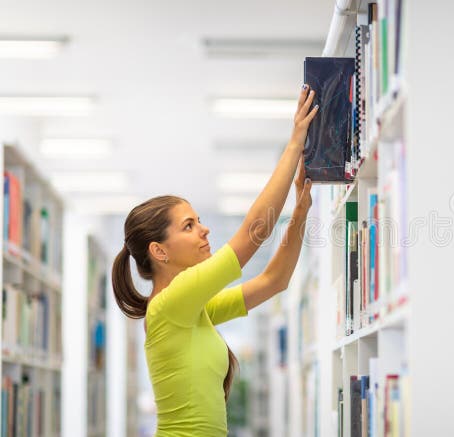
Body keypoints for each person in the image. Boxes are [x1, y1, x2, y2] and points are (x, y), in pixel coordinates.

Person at [111, 85, 319, 436]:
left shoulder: (195, 310)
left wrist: (299, 211)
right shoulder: (169, 305)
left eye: (199, 221)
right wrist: (295, 141)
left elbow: (275, 280)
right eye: (189, 226)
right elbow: (255, 232)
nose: (204, 231)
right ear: (159, 251)